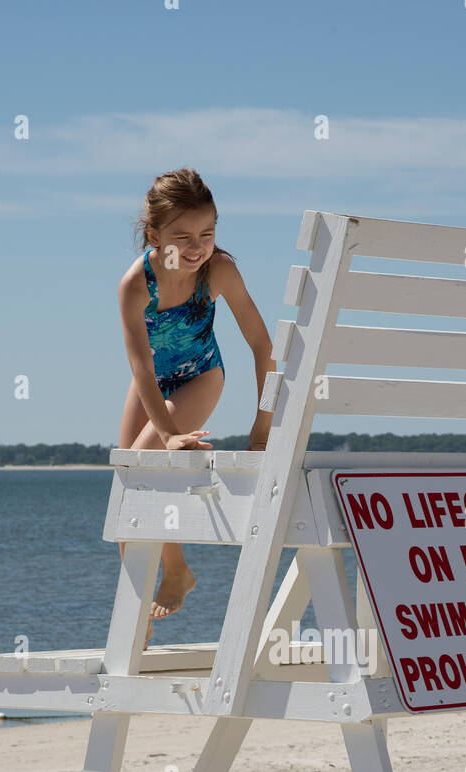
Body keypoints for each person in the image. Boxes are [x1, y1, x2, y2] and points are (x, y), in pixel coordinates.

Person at [117, 168, 275, 638]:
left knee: (143, 465)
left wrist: (262, 430)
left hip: (202, 375)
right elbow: (143, 370)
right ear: (153, 234)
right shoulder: (134, 285)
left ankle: (178, 571)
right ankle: (148, 610)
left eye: (207, 233)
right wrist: (167, 434)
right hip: (153, 382)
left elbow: (264, 346)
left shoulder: (219, 270)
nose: (195, 246)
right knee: (127, 488)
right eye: (181, 235)